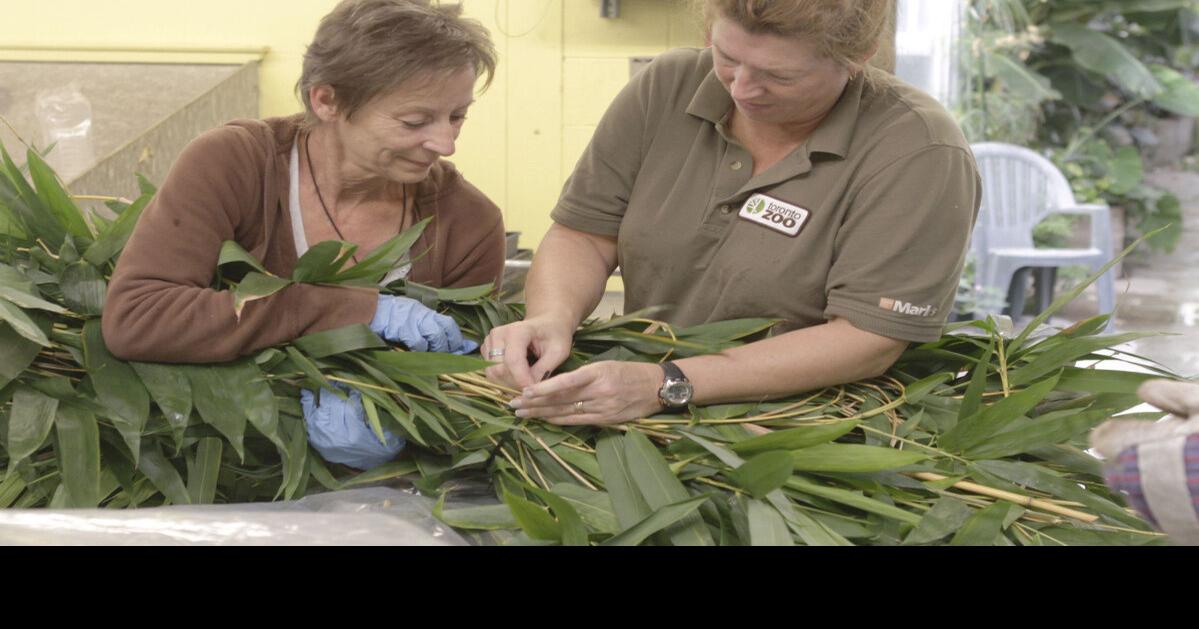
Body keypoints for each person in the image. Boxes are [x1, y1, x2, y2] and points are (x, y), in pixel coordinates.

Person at [482, 0, 981, 425]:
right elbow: (585, 236)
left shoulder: (919, 151)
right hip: (631, 401)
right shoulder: (667, 86)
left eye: (778, 75)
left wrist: (667, 383)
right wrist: (551, 318)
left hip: (797, 427)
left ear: (859, 55)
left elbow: (867, 339)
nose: (741, 89)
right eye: (727, 57)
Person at [103, 0, 506, 468]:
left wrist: (402, 428)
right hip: (217, 470)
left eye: (457, 116)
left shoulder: (468, 223)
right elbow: (138, 318)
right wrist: (343, 311)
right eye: (414, 122)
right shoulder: (235, 165)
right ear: (327, 101)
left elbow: (468, 396)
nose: (446, 144)